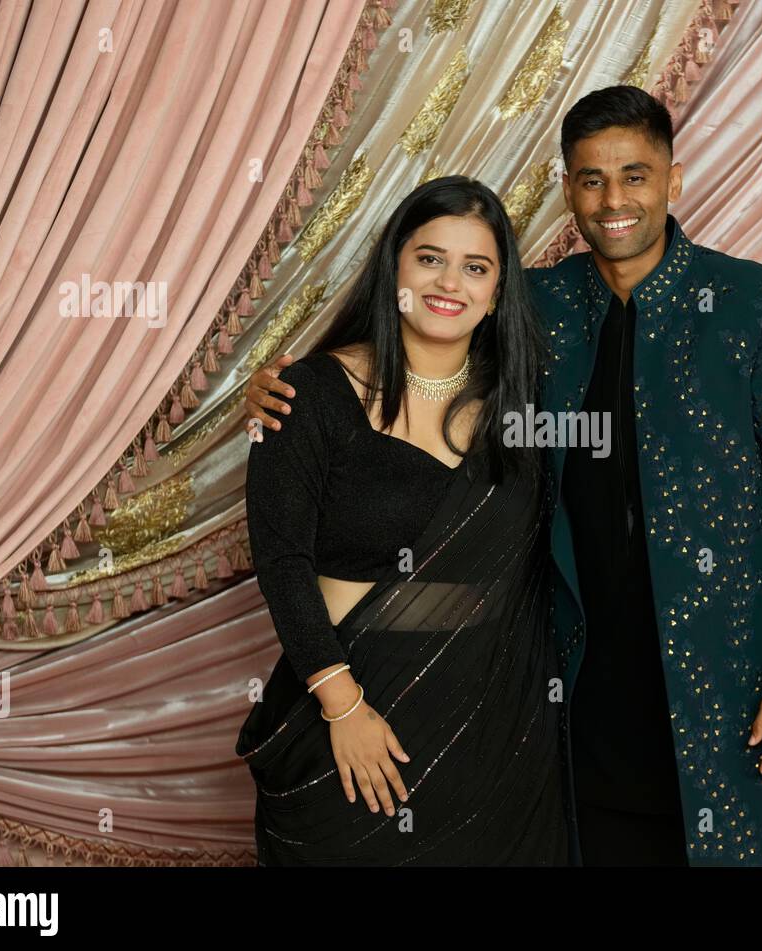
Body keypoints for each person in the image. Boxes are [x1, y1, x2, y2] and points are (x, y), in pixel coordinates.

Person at [245, 86, 762, 866]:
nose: (614, 199)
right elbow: (418, 346)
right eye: (591, 179)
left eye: (636, 175)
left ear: (674, 179)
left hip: (728, 680)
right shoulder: (537, 307)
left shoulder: (756, 305)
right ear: (566, 191)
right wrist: (281, 389)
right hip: (568, 689)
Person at [235, 176, 568, 865]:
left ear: (499, 291)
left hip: (488, 728)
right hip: (352, 719)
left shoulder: (524, 411)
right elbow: (282, 560)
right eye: (429, 258)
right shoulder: (310, 394)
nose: (451, 282)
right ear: (394, 269)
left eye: (476, 267)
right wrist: (343, 708)